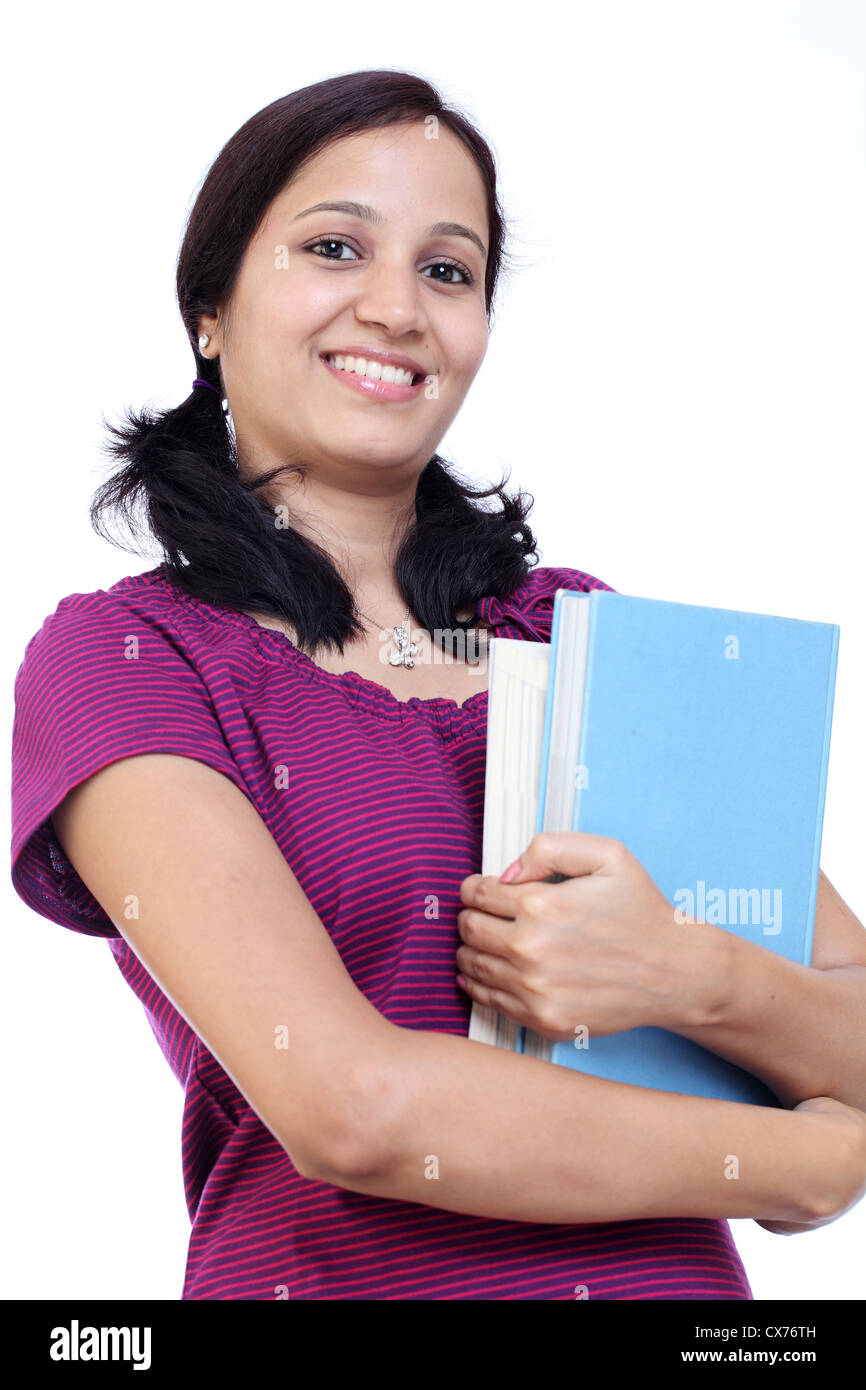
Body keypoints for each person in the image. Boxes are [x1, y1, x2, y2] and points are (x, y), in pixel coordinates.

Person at [11, 69, 866, 1302]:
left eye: (447, 270)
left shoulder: (587, 635)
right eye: (334, 246)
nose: (396, 308)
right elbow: (352, 1106)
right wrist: (798, 1163)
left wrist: (685, 972)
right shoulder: (131, 662)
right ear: (209, 306)